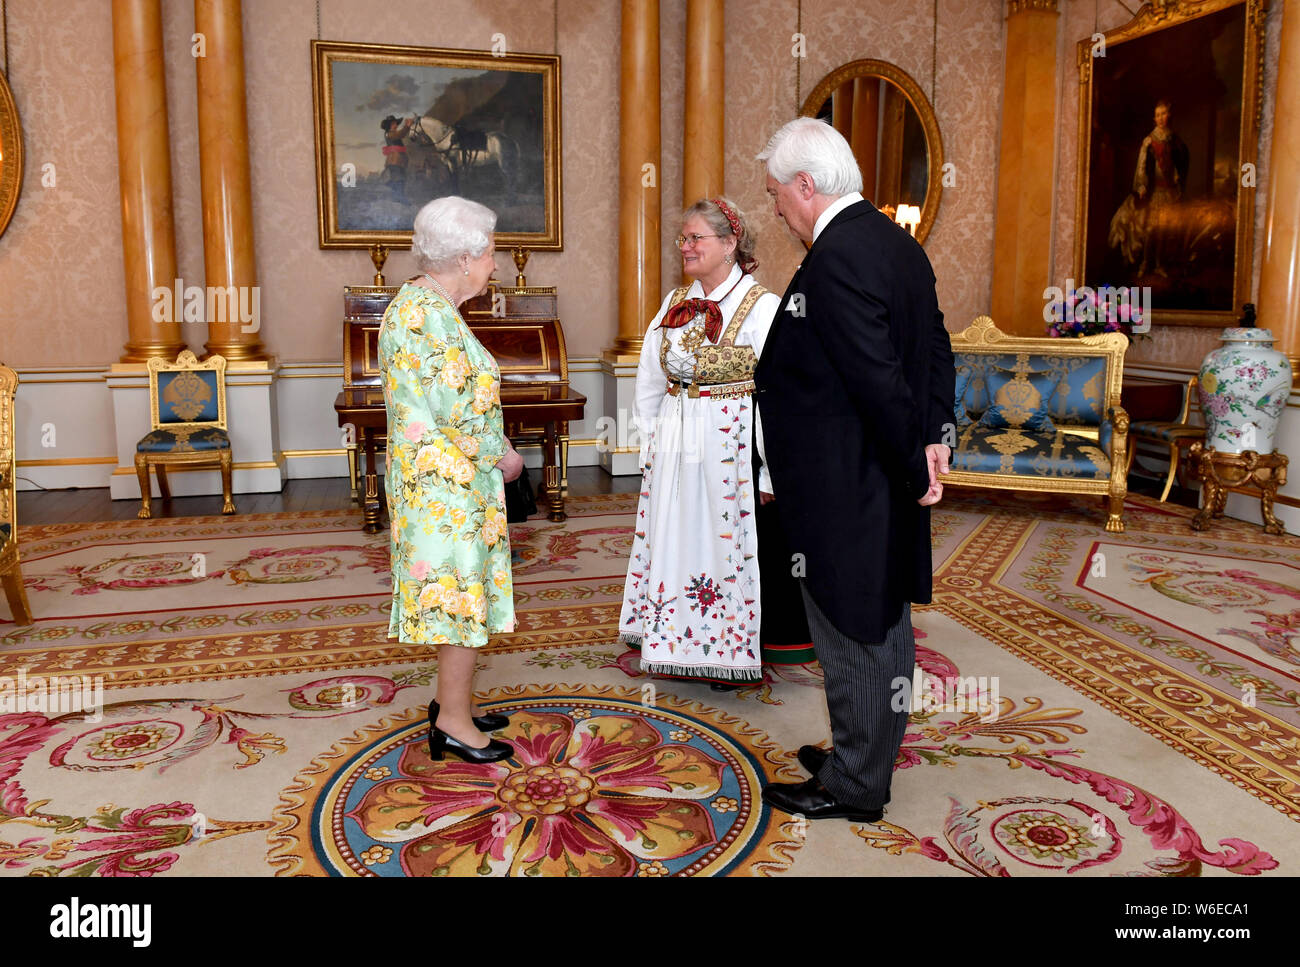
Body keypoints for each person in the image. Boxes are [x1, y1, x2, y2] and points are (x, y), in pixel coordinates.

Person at [753, 117, 955, 822]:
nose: (775, 207)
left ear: (805, 186)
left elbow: (877, 380)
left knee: (852, 626)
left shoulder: (837, 255)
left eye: (777, 193)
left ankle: (857, 783)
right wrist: (934, 439)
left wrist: (916, 456)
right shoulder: (895, 243)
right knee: (878, 613)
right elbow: (935, 348)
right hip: (880, 471)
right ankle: (857, 752)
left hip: (848, 480)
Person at [378, 195, 525, 764]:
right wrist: (505, 458)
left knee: (461, 594)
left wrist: (496, 447)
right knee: (457, 599)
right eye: (491, 253)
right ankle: (455, 725)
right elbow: (456, 409)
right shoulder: (423, 313)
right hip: (443, 488)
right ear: (466, 257)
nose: (495, 264)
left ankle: (451, 703)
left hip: (451, 482)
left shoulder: (431, 305)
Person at [619, 197, 782, 688]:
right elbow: (650, 373)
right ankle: (668, 635)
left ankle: (723, 649)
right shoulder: (674, 304)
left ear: (730, 244)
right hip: (675, 435)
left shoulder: (764, 306)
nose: (685, 247)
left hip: (728, 443)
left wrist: (771, 470)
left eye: (696, 239)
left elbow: (778, 395)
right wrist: (648, 441)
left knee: (719, 538)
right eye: (682, 239)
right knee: (672, 528)